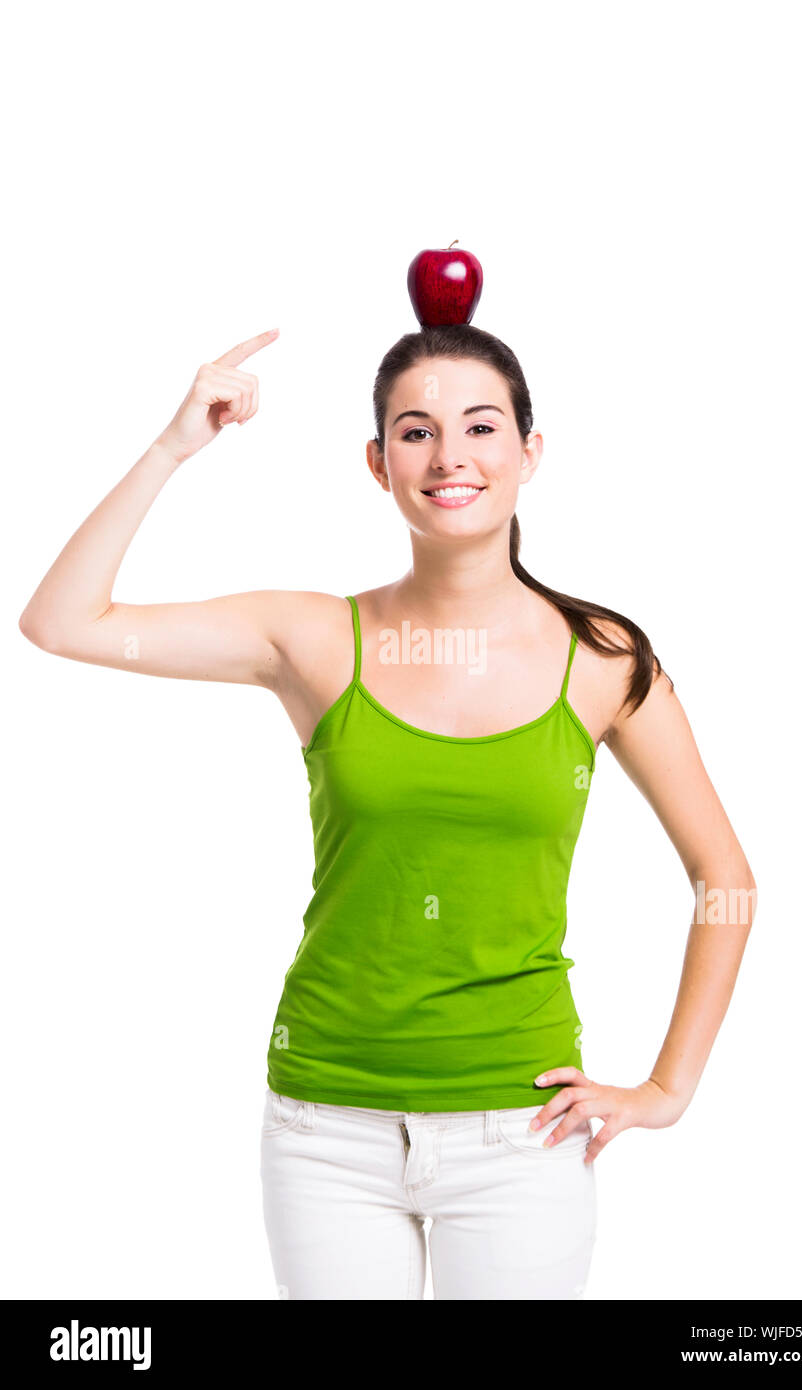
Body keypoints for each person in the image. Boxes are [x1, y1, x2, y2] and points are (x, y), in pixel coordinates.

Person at [19, 322, 757, 1301]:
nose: (449, 456)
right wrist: (172, 448)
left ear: (527, 454)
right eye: (414, 431)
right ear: (377, 464)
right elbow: (62, 621)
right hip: (326, 1130)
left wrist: (667, 1089)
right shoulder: (313, 637)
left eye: (480, 427)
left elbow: (724, 880)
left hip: (520, 1133)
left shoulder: (603, 657)